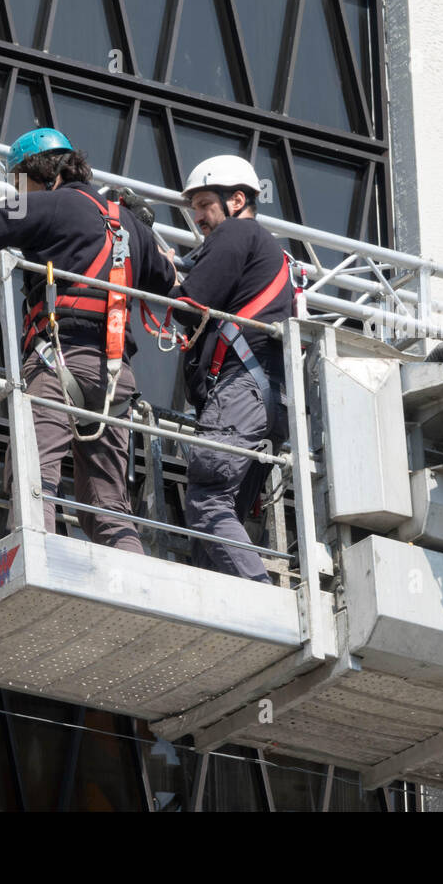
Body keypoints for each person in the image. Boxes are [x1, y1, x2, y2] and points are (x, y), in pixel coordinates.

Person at [0, 128, 177, 553]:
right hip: (116, 379)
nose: (17, 191)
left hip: (58, 361)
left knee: (35, 477)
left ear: (37, 174)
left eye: (18, 182)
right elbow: (170, 279)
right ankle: (133, 577)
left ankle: (36, 565)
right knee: (107, 503)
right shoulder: (127, 223)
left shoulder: (46, 205)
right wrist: (147, 236)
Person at [173, 155, 294, 583]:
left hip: (242, 391)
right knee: (221, 521)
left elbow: (188, 306)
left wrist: (157, 273)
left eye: (205, 204)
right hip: (268, 400)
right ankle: (236, 603)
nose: (200, 218)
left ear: (237, 199)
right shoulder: (265, 251)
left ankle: (259, 595)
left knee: (207, 503)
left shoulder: (238, 231)